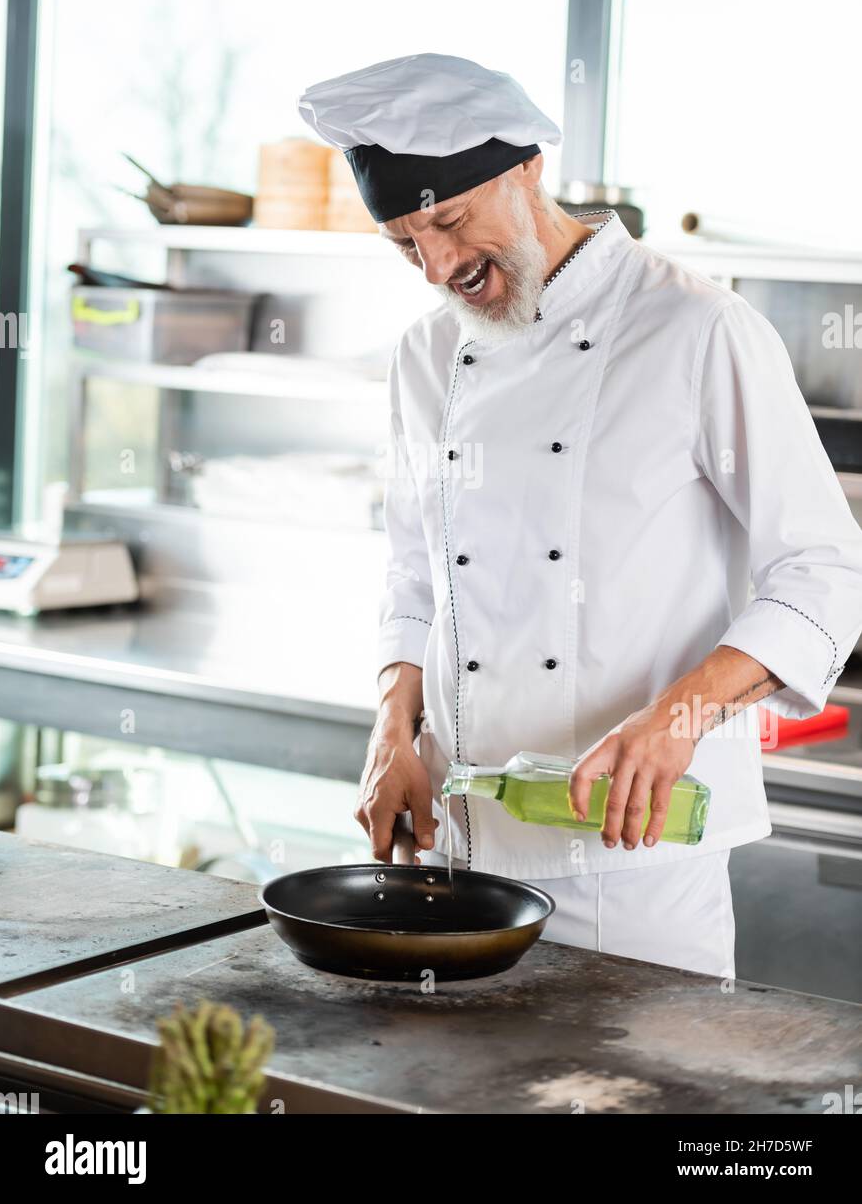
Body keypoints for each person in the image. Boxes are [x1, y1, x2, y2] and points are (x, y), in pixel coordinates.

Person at [299, 53, 862, 977]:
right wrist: (393, 726)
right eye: (405, 242)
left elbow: (822, 572)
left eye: (446, 218)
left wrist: (679, 718)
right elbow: (413, 568)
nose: (438, 265)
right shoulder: (427, 353)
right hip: (462, 849)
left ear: (525, 170)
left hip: (632, 864)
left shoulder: (695, 329)